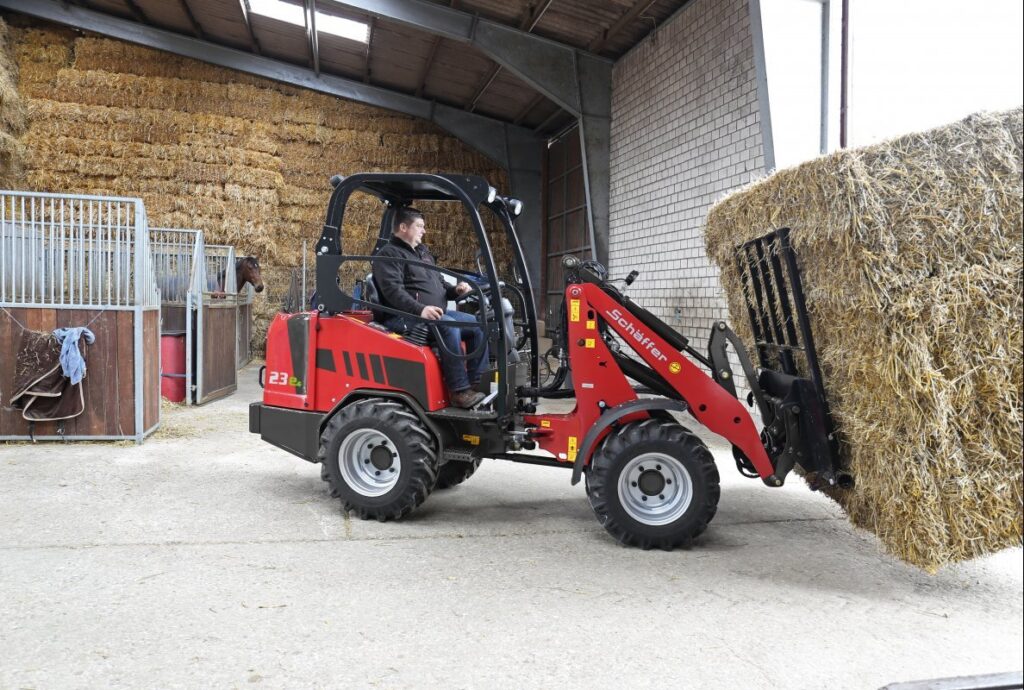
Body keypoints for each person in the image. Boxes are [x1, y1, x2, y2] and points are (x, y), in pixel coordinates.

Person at [372, 207, 489, 409]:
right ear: (403, 227)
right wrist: (420, 310)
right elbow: (392, 291)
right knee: (449, 324)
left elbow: (439, 284)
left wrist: (456, 290)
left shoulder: (422, 253)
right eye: (419, 226)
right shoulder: (389, 254)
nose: (424, 231)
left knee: (479, 325)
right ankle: (459, 391)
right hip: (403, 315)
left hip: (432, 312)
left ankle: (476, 382)